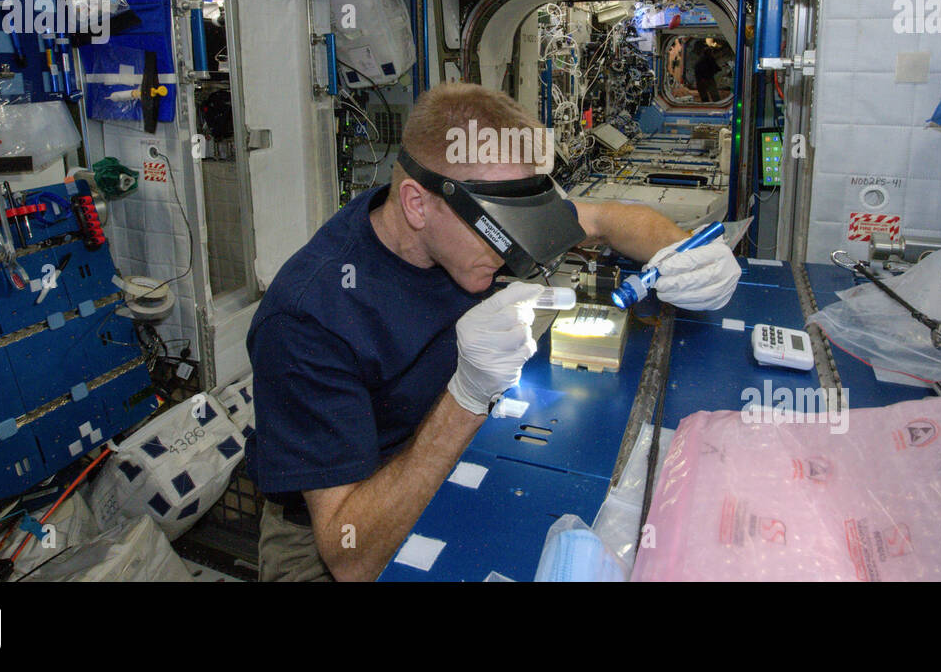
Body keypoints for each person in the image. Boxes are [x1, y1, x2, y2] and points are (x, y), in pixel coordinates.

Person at [245, 83, 741, 581]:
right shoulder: (308, 319)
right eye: (497, 231)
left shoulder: (470, 211)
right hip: (338, 522)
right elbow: (350, 556)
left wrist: (684, 255)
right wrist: (467, 394)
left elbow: (609, 218)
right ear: (418, 205)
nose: (511, 253)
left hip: (449, 449)